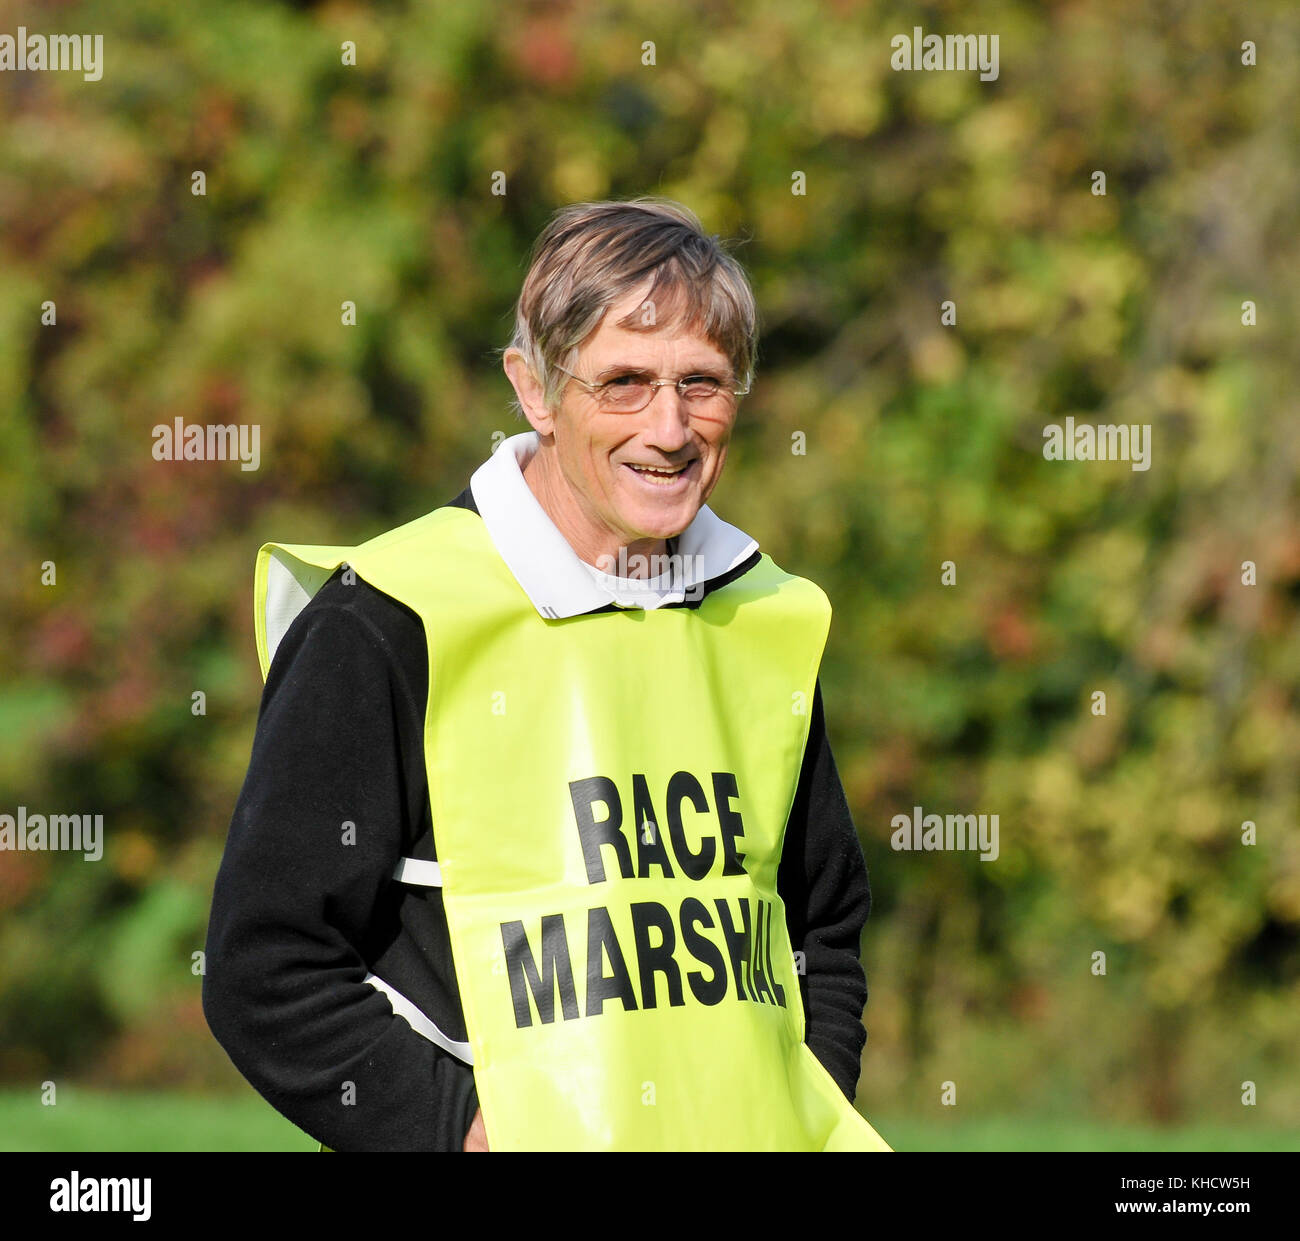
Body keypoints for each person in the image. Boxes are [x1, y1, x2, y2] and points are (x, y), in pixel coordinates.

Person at [203, 197, 891, 1152]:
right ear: (533, 389)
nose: (670, 426)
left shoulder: (766, 615)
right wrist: (466, 1133)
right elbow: (265, 966)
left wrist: (799, 1109)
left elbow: (823, 932)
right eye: (623, 382)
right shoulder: (390, 618)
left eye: (703, 382)